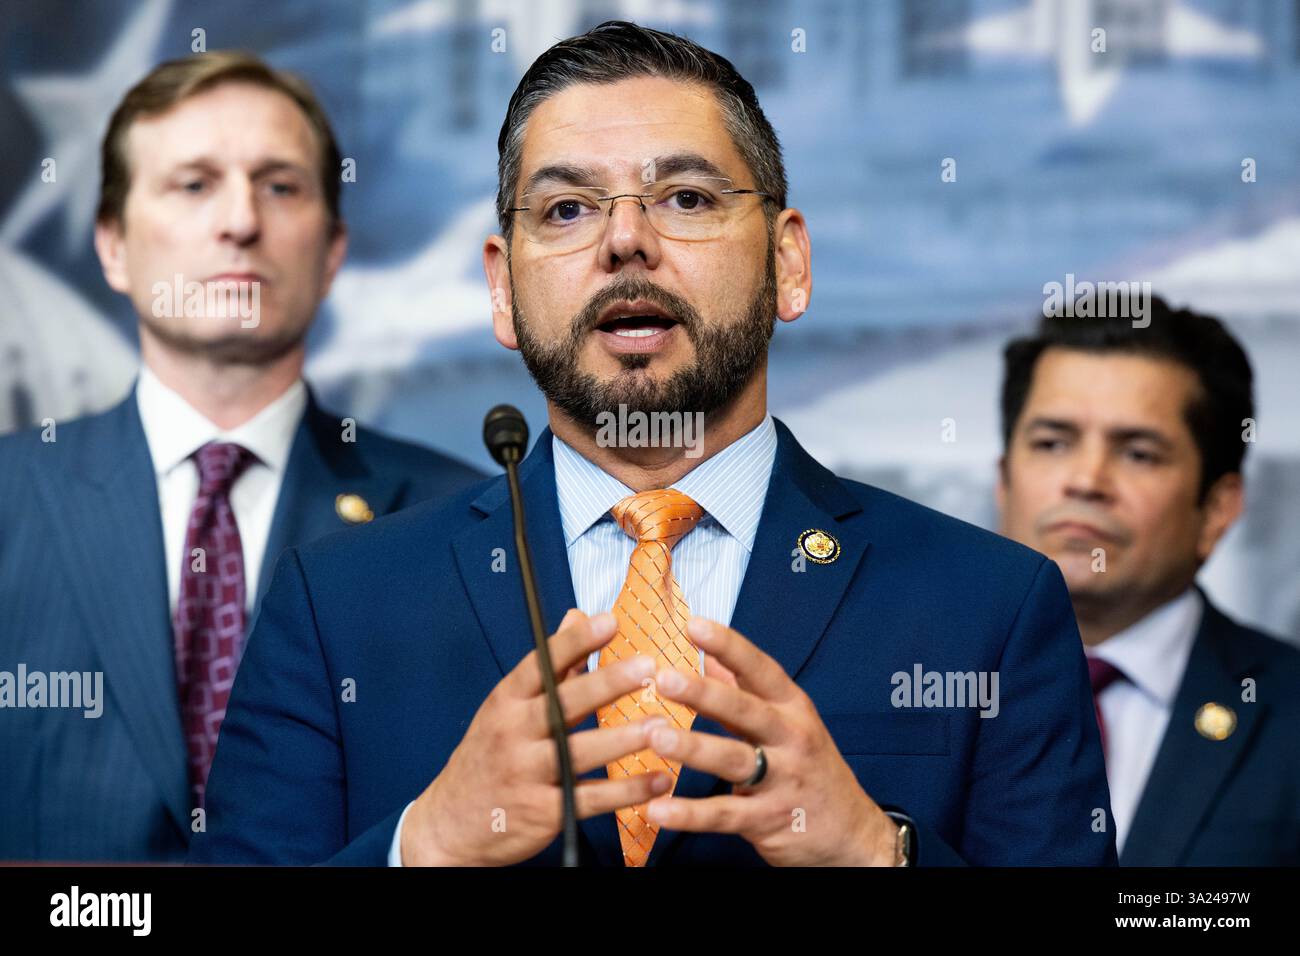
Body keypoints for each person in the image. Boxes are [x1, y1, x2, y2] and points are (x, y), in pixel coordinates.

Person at [190, 21, 1114, 867]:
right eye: (566, 211)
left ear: (788, 265)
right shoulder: (337, 605)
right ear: (503, 290)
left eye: (686, 196)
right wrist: (422, 845)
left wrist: (877, 853)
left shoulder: (988, 608)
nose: (626, 240)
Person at [0, 52, 483, 863]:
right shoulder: (11, 496)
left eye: (280, 185)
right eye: (193, 184)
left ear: (332, 251)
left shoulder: (461, 527)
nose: (240, 221)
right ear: (112, 247)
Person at [997, 296, 1300, 865]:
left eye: (1138, 453)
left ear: (1215, 509)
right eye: (1052, 443)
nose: (1086, 481)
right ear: (1003, 482)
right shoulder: (904, 688)